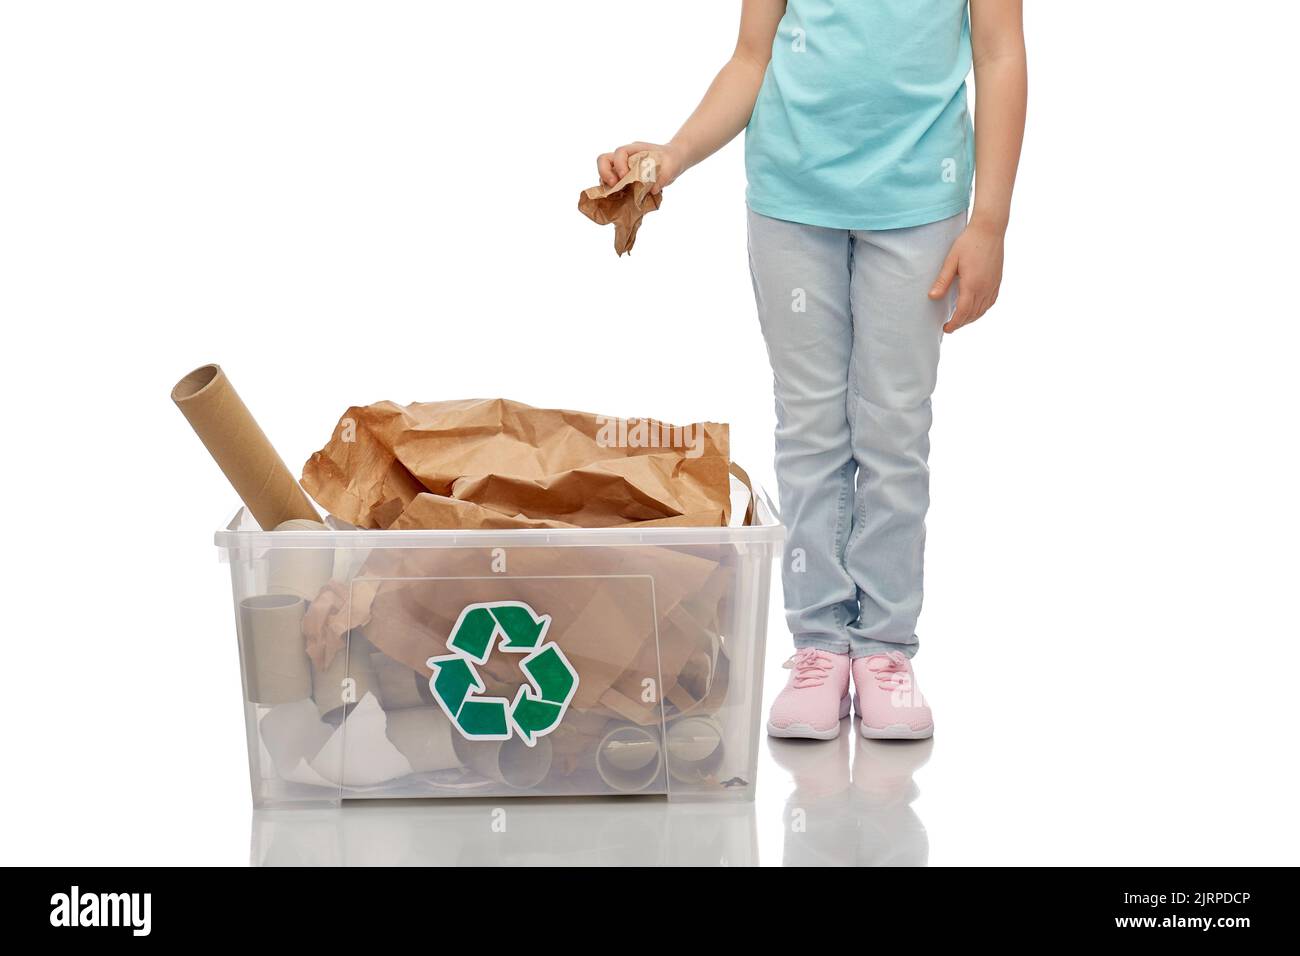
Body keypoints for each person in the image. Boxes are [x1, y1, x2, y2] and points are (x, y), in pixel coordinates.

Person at [597, 1, 1025, 740]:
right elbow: (751, 58)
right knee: (811, 426)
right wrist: (674, 153)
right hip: (792, 205)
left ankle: (885, 647)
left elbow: (999, 54)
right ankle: (819, 644)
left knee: (894, 428)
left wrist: (990, 222)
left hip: (919, 207)